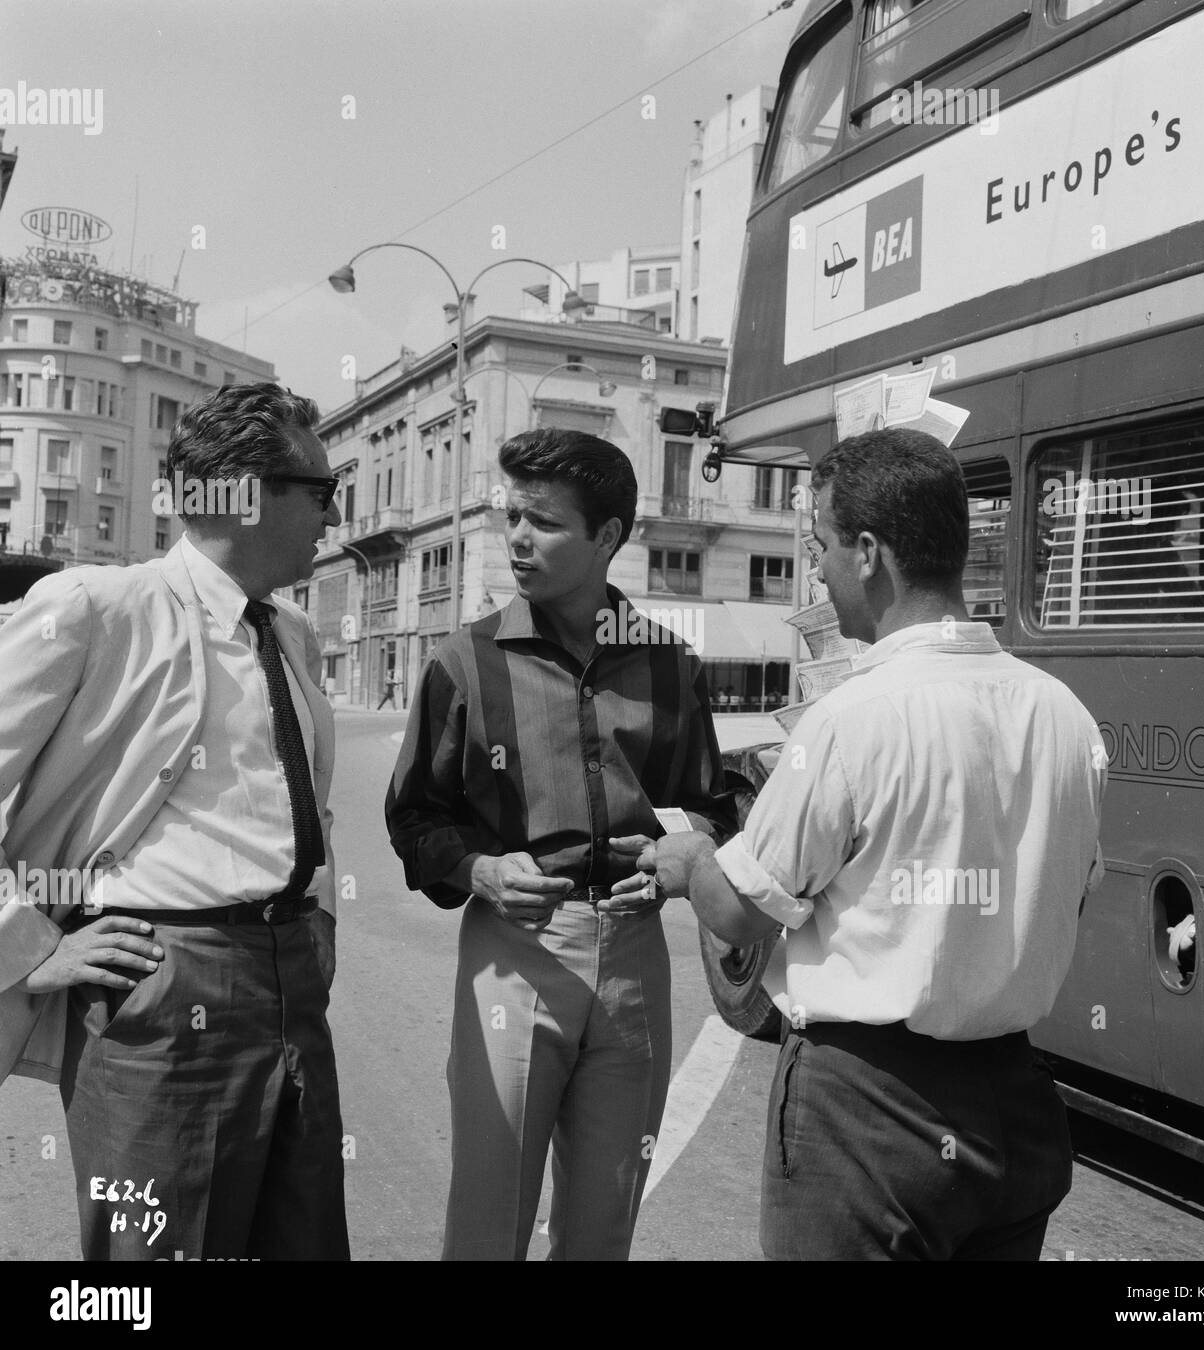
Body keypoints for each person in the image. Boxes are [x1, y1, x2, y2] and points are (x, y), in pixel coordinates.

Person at [644, 428, 1106, 1261]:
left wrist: (691, 864)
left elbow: (744, 915)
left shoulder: (852, 720)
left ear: (867, 552)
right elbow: (1066, 893)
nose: (814, 570)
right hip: (1015, 1113)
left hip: (865, 1121)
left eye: (819, 545)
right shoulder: (1065, 716)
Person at [0, 382, 349, 1261]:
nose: (331, 517)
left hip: (291, 979)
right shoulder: (97, 608)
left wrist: (319, 928)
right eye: (321, 489)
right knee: (152, 1264)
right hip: (163, 986)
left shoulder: (292, 632)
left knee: (299, 1238)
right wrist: (28, 941)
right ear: (243, 490)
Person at [386, 427, 735, 1261]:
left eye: (542, 522)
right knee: (488, 1210)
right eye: (511, 516)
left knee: (605, 1217)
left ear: (608, 537)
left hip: (635, 959)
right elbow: (415, 818)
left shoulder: (670, 667)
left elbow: (716, 810)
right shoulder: (463, 662)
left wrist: (680, 862)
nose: (515, 538)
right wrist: (478, 869)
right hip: (515, 950)